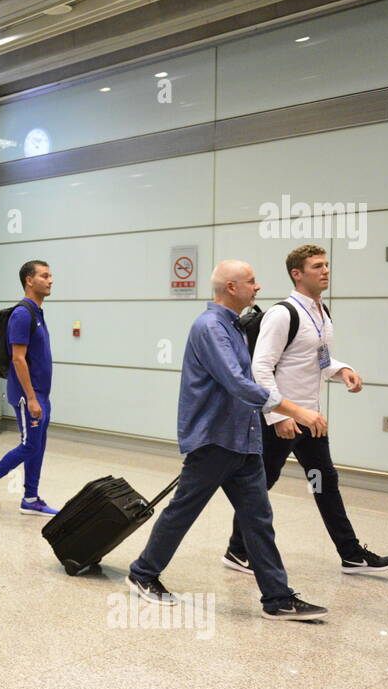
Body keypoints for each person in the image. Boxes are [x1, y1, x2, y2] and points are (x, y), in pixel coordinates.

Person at [127, 261, 332, 621]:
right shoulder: (210, 328)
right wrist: (293, 411)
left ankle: (277, 598)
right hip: (215, 439)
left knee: (258, 519)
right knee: (183, 511)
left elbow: (246, 381)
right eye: (251, 281)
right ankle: (143, 573)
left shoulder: (234, 327)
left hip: (244, 438)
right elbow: (237, 382)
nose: (258, 286)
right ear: (232, 288)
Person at [225, 245, 388, 574]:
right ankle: (237, 550)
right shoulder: (282, 314)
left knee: (323, 481)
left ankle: (351, 554)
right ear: (297, 274)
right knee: (261, 483)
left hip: (310, 419)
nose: (325, 271)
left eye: (326, 265)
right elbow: (261, 368)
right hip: (283, 418)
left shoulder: (321, 312)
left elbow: (318, 359)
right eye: (317, 266)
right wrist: (277, 416)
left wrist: (342, 370)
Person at [0, 259, 58, 516]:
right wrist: (32, 398)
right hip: (27, 395)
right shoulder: (23, 314)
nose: (50, 280)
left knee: (38, 444)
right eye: (44, 276)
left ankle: (31, 498)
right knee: (29, 444)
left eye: (50, 276)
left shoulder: (37, 312)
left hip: (40, 393)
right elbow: (17, 358)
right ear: (29, 280)